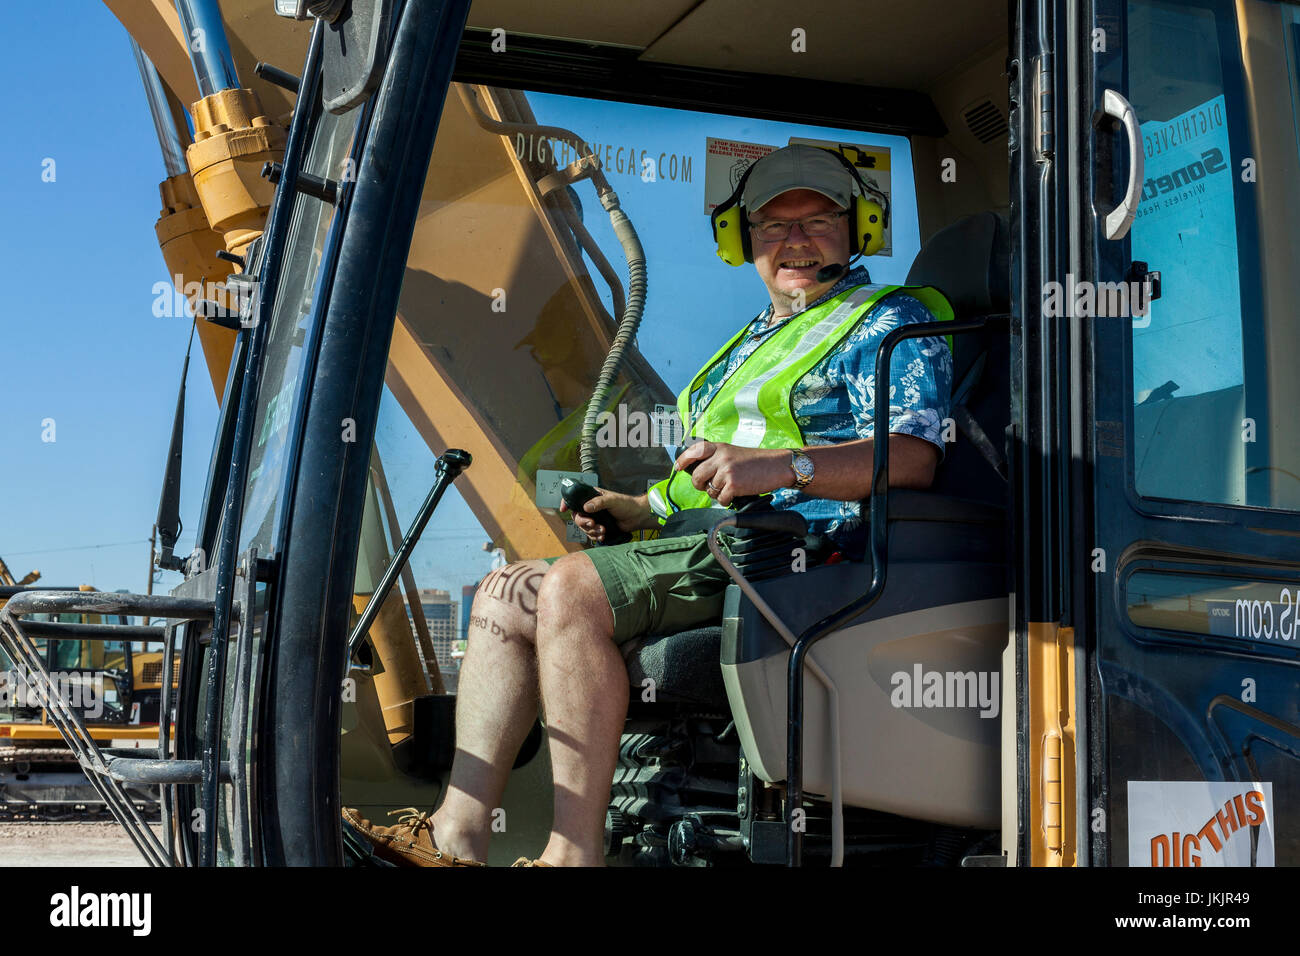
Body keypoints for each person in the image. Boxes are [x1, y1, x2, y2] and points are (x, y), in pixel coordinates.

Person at [343, 144, 953, 867]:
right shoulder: (747, 347)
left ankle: (575, 856)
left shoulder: (888, 321)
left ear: (859, 232)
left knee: (570, 588)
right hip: (720, 544)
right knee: (506, 595)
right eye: (773, 225)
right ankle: (455, 836)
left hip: (804, 555)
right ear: (744, 242)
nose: (795, 240)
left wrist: (782, 466)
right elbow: (698, 478)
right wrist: (637, 508)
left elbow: (914, 455)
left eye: (818, 220)